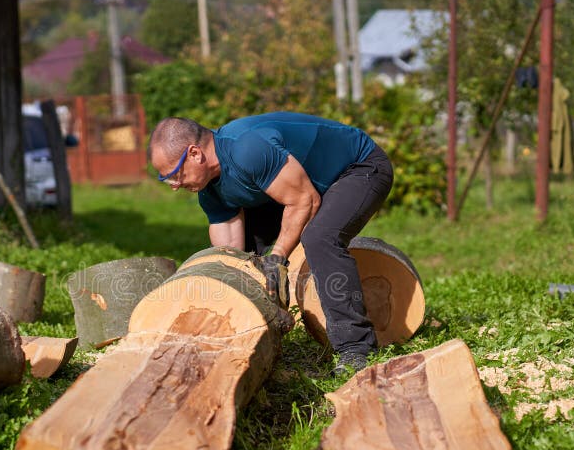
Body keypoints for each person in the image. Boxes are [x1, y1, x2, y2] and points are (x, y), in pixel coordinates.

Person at [147, 112, 393, 374]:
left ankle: (356, 348)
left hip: (358, 168)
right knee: (246, 257)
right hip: (302, 185)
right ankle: (252, 334)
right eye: (167, 179)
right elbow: (229, 249)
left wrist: (278, 256)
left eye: (173, 174)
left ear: (195, 153)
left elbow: (305, 201)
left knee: (320, 238)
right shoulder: (209, 188)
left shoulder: (247, 149)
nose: (173, 185)